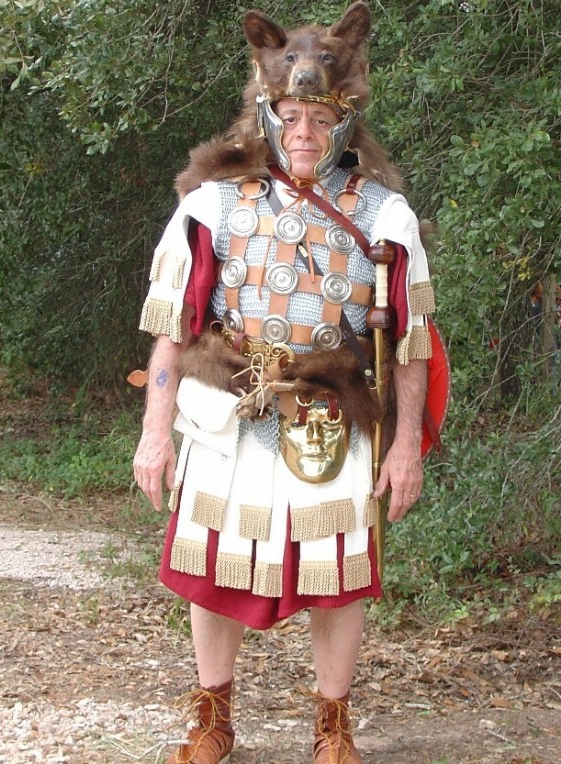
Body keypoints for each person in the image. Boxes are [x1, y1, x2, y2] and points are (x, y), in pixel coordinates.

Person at [132, 87, 435, 762]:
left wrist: (405, 443)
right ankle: (213, 717)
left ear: (345, 124)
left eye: (322, 119)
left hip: (333, 413)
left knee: (334, 574)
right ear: (270, 118)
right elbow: (172, 331)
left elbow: (412, 342)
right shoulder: (211, 204)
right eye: (293, 117)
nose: (306, 132)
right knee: (212, 564)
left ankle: (333, 725)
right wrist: (155, 433)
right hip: (231, 409)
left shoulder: (386, 216)